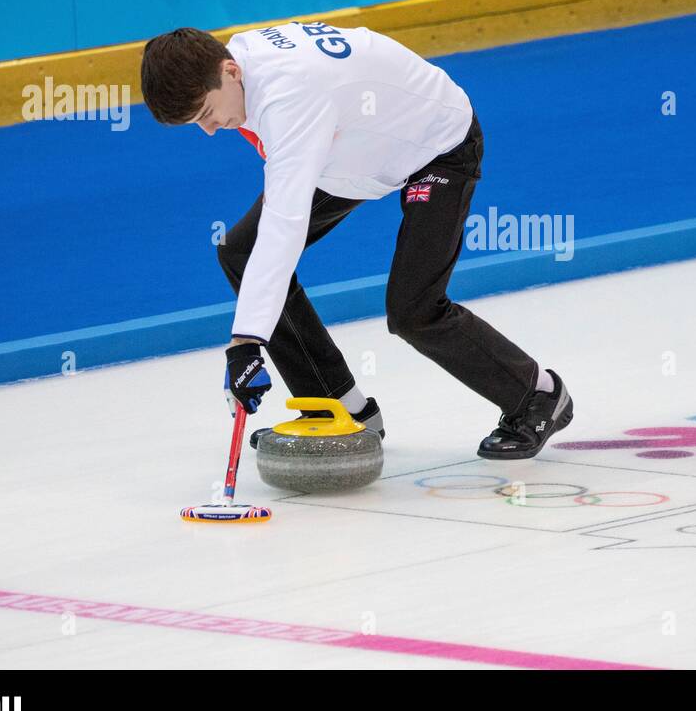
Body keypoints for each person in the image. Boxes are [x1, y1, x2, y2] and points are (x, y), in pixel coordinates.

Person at [139, 23, 572, 459]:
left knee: (414, 310)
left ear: (229, 71)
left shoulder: (288, 96)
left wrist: (246, 341)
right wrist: (249, 339)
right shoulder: (242, 66)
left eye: (206, 114)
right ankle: (339, 407)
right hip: (353, 149)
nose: (210, 131)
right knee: (241, 250)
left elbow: (284, 223)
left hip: (436, 145)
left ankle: (537, 395)